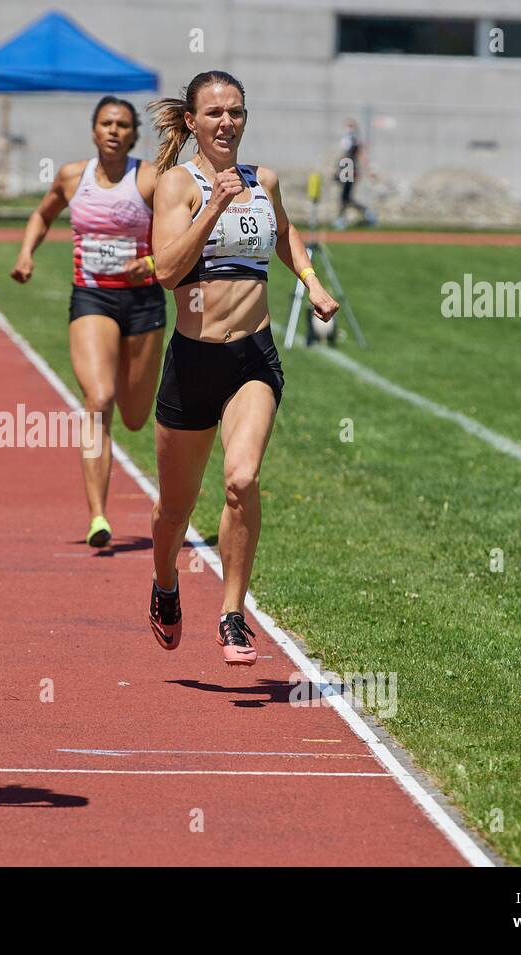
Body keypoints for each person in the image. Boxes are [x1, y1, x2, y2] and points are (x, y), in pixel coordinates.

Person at [144, 71, 340, 665]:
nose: (226, 122)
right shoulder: (176, 186)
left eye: (236, 111)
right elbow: (166, 271)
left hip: (251, 357)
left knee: (242, 480)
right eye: (214, 113)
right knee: (171, 511)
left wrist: (310, 281)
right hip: (192, 361)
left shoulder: (265, 181)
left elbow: (285, 233)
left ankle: (232, 613)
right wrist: (216, 204)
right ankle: (166, 585)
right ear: (192, 123)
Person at [11, 97, 165, 549]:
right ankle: (98, 515)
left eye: (122, 125)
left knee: (135, 417)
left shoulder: (150, 178)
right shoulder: (72, 177)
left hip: (143, 301)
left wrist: (153, 261)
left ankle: (123, 370)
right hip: (92, 297)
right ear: (94, 130)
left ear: (133, 134)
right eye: (106, 123)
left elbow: (184, 231)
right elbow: (43, 213)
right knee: (99, 399)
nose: (114, 131)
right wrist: (26, 253)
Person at [334, 118, 377, 229]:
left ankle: (342, 219)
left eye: (350, 126)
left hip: (349, 169)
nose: (348, 128)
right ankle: (365, 213)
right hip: (344, 168)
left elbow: (360, 156)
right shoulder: (346, 139)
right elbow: (343, 156)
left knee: (344, 197)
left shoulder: (355, 140)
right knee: (346, 197)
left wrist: (368, 170)